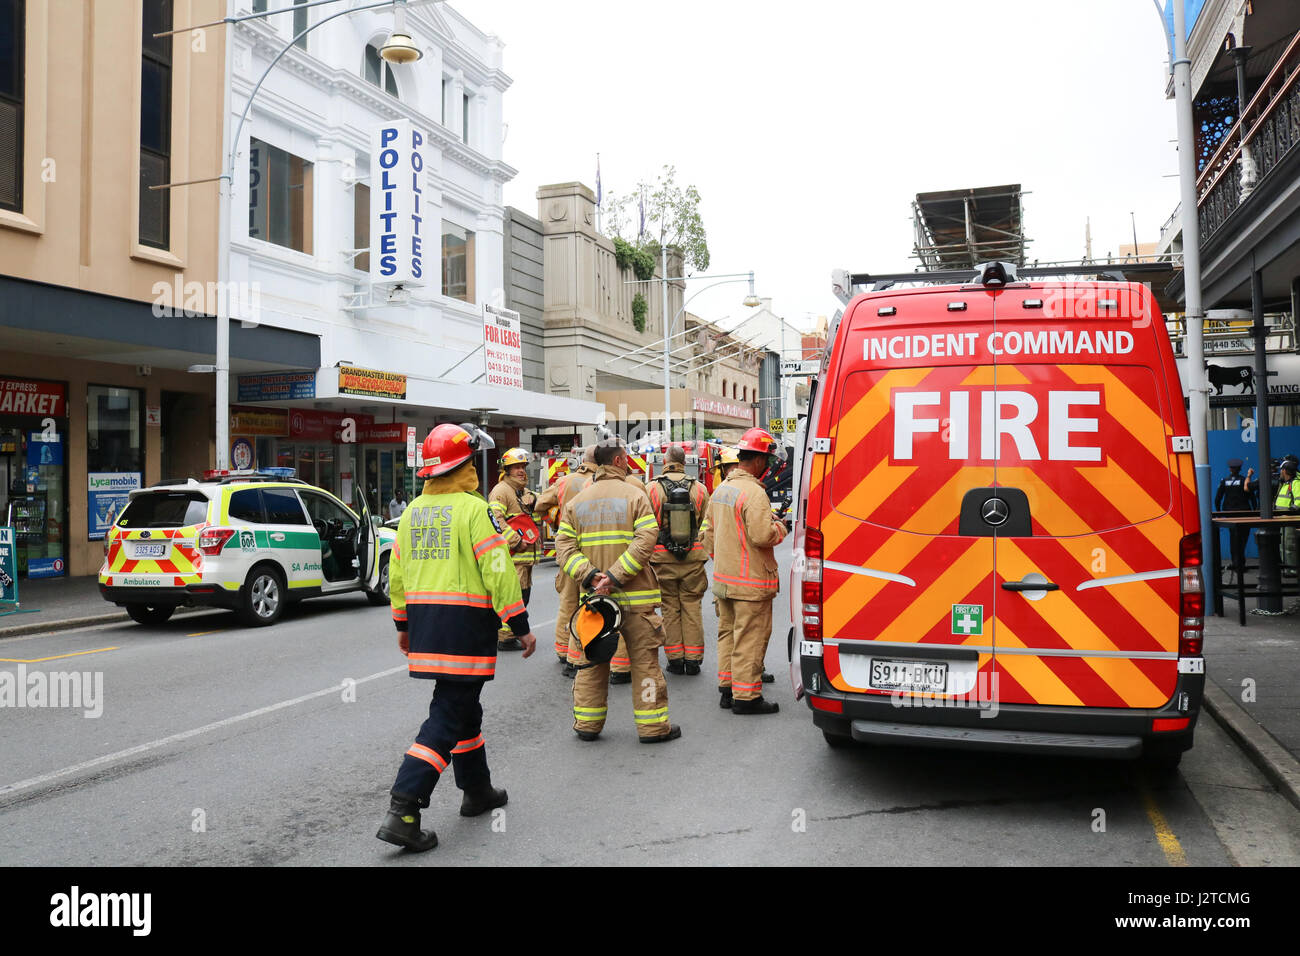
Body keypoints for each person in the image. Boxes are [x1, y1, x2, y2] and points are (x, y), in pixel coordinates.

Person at [376, 423, 536, 853]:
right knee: (447, 717)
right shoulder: (473, 509)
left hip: (427, 628)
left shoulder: (410, 513)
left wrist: (402, 626)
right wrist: (519, 626)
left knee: (464, 710)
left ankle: (476, 789)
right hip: (465, 630)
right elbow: (498, 570)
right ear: (465, 464)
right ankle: (404, 808)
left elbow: (398, 575)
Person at [555, 436, 680, 743]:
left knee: (591, 663)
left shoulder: (576, 503)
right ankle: (653, 728)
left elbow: (564, 549)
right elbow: (646, 540)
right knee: (646, 665)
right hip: (636, 600)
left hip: (595, 601)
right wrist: (615, 575)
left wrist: (593, 577)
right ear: (619, 461)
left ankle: (587, 725)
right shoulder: (635, 495)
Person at [705, 427, 787, 714]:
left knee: (727, 634)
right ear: (760, 460)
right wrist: (781, 526)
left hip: (724, 580)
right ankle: (747, 697)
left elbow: (707, 535)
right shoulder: (754, 492)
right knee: (749, 639)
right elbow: (763, 536)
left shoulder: (722, 490)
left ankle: (727, 689)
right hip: (750, 582)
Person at [646, 444, 711, 675]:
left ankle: (675, 659)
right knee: (692, 607)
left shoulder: (652, 489)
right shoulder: (700, 489)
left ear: (665, 461)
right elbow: (706, 524)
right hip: (693, 559)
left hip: (662, 559)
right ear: (685, 462)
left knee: (670, 608)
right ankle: (693, 660)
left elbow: (647, 526)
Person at [533, 444, 598, 672]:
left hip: (569, 552)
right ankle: (593, 648)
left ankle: (564, 651)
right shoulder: (604, 483)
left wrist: (556, 519)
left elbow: (539, 505)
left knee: (568, 603)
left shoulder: (565, 482)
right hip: (596, 553)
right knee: (594, 604)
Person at [489, 448, 540, 651]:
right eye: (516, 467)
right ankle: (505, 636)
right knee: (513, 596)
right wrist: (516, 541)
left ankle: (511, 632)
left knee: (523, 596)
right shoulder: (501, 491)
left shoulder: (524, 492)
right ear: (506, 469)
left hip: (525, 557)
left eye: (523, 467)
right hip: (513, 556)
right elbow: (495, 519)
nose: (521, 471)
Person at [1214, 457, 1257, 576]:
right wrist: (1255, 512)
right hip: (1244, 514)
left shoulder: (1224, 481)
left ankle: (1235, 563)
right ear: (1240, 469)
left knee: (1233, 539)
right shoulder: (1244, 480)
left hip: (1230, 514)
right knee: (1243, 539)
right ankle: (1240, 564)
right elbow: (1252, 497)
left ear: (1230, 469)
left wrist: (1219, 513)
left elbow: (1218, 498)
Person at [1276, 457, 1299, 576]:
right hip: (1283, 519)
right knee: (1283, 545)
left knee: (1289, 545)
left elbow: (1298, 501)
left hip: (1290, 519)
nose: (1280, 472)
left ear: (1285, 471)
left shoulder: (1295, 483)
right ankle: (1287, 569)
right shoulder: (1285, 484)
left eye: (1281, 470)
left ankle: (1292, 570)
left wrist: (1291, 511)